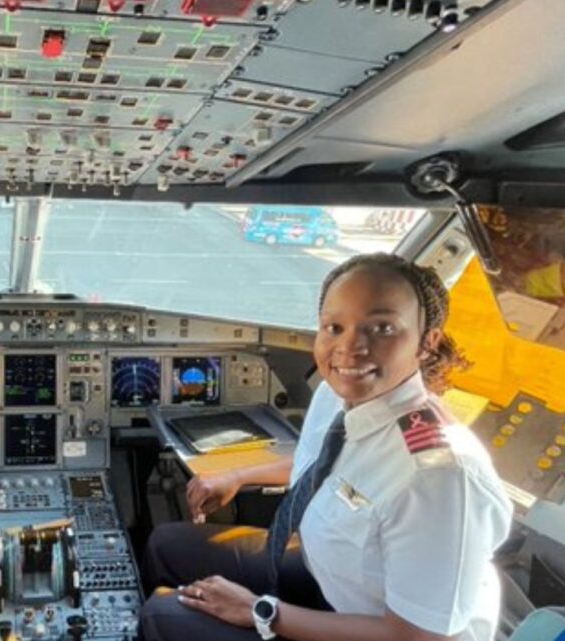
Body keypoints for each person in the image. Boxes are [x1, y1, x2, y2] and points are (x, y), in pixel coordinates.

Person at [140, 253, 513, 641]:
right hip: (336, 581)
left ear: (426, 342)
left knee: (161, 617)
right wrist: (237, 475)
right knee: (165, 544)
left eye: (382, 328)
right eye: (334, 327)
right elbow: (322, 464)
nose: (350, 347)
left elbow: (417, 636)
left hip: (386, 628)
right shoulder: (338, 397)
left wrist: (261, 612)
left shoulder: (439, 479)